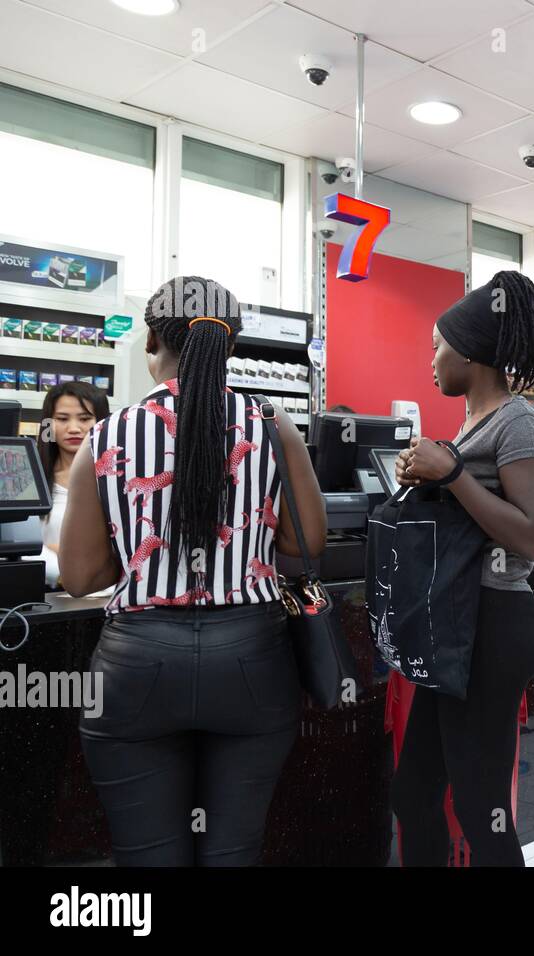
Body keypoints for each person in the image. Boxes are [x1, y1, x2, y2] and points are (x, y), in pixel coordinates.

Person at [59, 276, 327, 866]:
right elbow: (307, 542)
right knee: (233, 851)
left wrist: (139, 549)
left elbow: (78, 577)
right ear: (228, 346)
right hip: (253, 663)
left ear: (153, 340)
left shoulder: (106, 436)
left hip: (135, 671)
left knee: (146, 855)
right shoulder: (274, 426)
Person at [391, 271, 534, 867]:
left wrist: (451, 475)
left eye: (438, 346)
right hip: (461, 623)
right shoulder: (472, 425)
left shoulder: (517, 421)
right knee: (413, 793)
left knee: (484, 806)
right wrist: (428, 476)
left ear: (471, 353)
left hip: (496, 623)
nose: (431, 360)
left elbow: (532, 536)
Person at [37, 382, 108, 589]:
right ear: (48, 424)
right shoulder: (29, 479)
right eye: (62, 419)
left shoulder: (117, 478)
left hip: (105, 596)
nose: (74, 428)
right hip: (46, 596)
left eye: (85, 419)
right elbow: (18, 549)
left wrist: (63, 551)